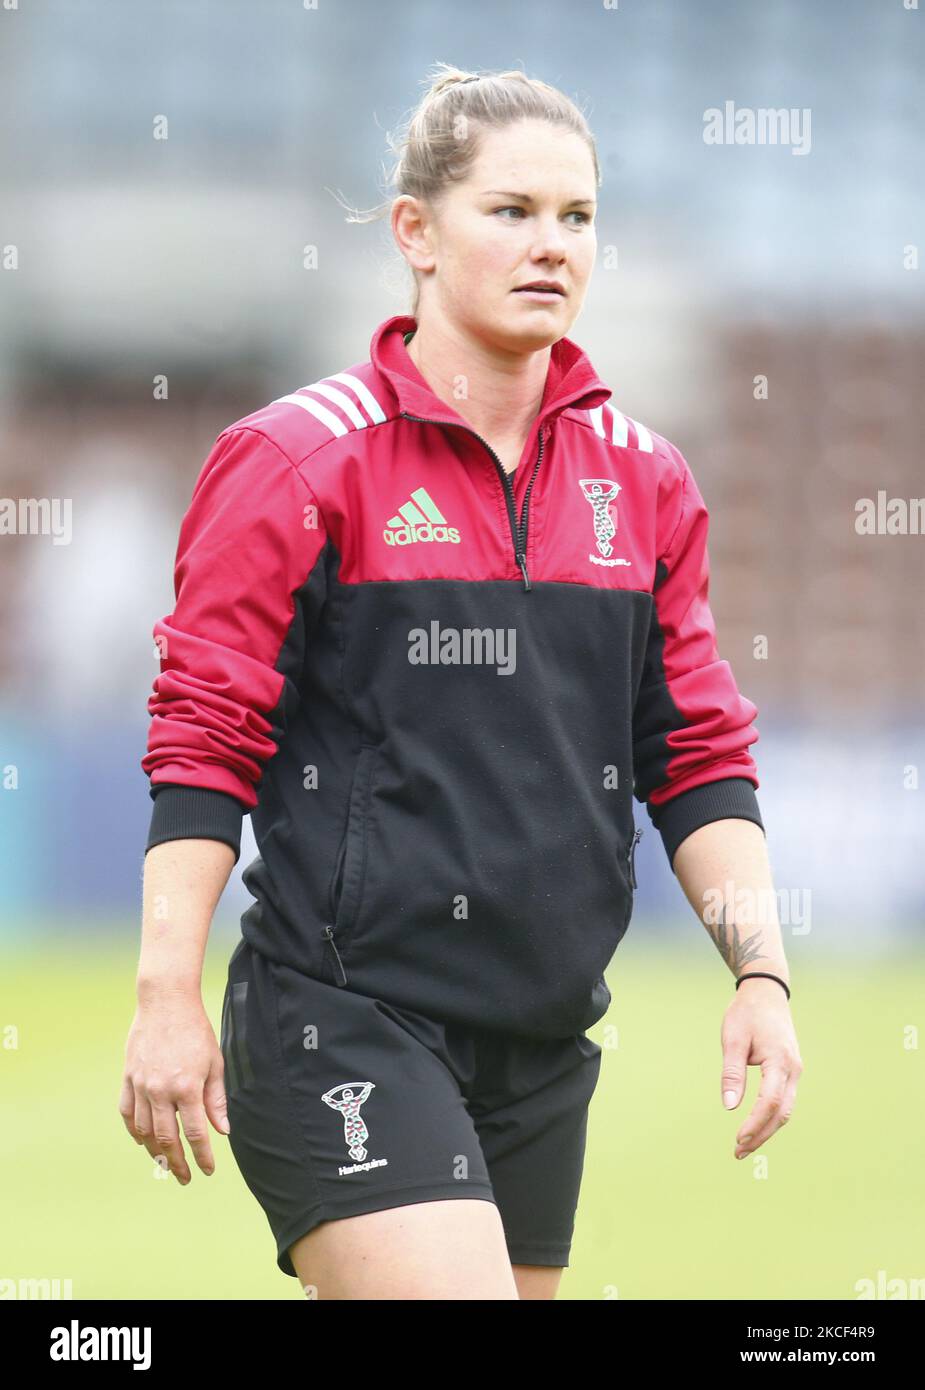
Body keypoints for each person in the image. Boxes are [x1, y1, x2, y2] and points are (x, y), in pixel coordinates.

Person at [121, 62, 802, 1302]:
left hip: (543, 1040)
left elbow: (697, 755)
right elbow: (204, 741)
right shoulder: (295, 460)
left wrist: (760, 969)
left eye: (577, 217)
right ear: (415, 234)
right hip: (347, 1019)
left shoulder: (644, 481)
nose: (552, 245)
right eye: (511, 210)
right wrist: (166, 990)